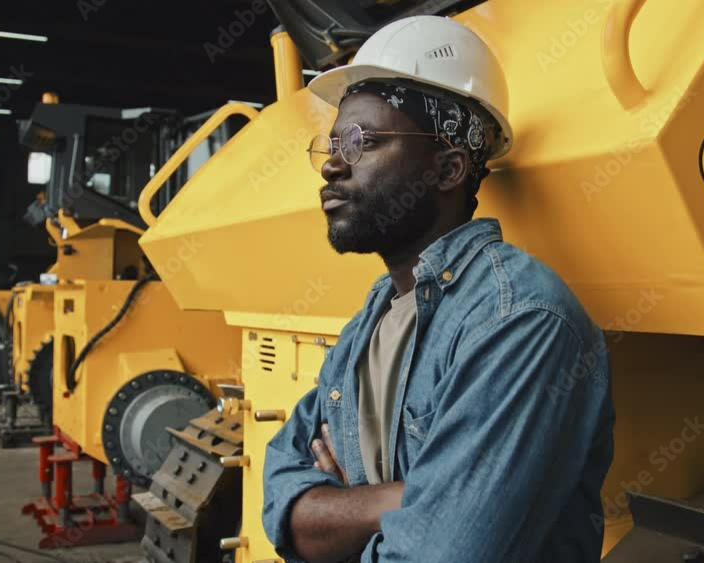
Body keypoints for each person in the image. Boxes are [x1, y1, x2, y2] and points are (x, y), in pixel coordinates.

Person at [262, 15, 615, 563]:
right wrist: (403, 501)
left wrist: (343, 511)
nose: (332, 165)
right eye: (332, 143)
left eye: (363, 142)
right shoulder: (370, 322)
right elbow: (285, 505)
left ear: (448, 168)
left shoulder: (519, 320)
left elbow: (445, 553)